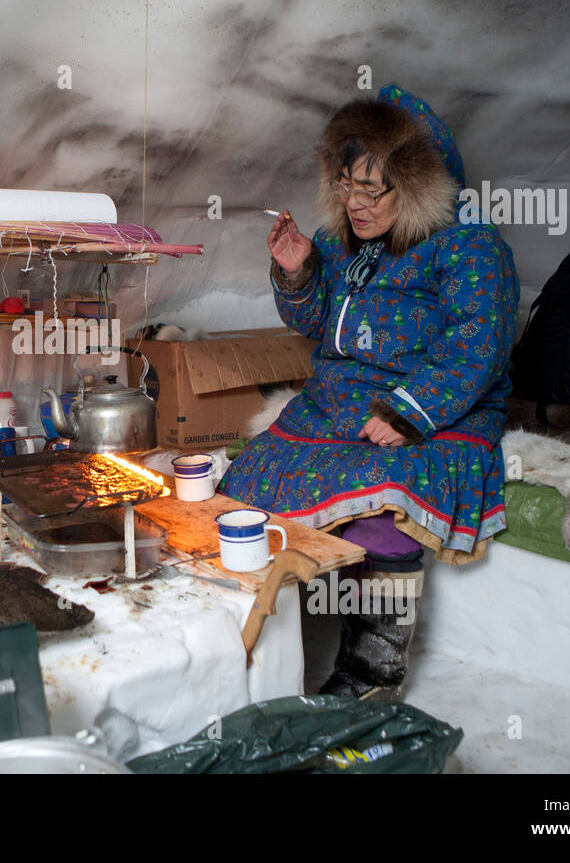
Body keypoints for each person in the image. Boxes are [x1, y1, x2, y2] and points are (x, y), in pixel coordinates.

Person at [218, 84, 519, 701]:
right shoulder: (339, 243)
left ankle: (370, 675)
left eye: (371, 189)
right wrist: (298, 272)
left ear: (413, 187)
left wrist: (409, 413)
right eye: (344, 185)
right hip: (337, 400)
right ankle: (242, 652)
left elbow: (477, 347)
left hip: (436, 402)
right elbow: (314, 324)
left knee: (385, 506)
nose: (353, 202)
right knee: (246, 485)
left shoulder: (469, 245)